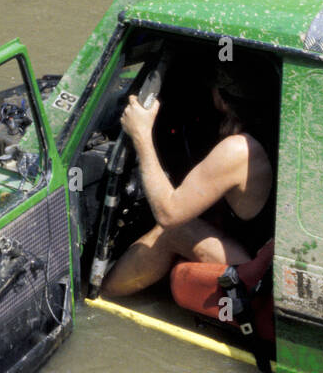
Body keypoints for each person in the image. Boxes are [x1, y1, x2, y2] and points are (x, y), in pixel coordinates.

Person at [100, 59, 276, 297]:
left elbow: (168, 214)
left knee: (173, 232)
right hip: (267, 253)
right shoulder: (272, 127)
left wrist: (141, 135)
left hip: (258, 273)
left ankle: (102, 297)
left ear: (220, 98)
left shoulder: (239, 149)